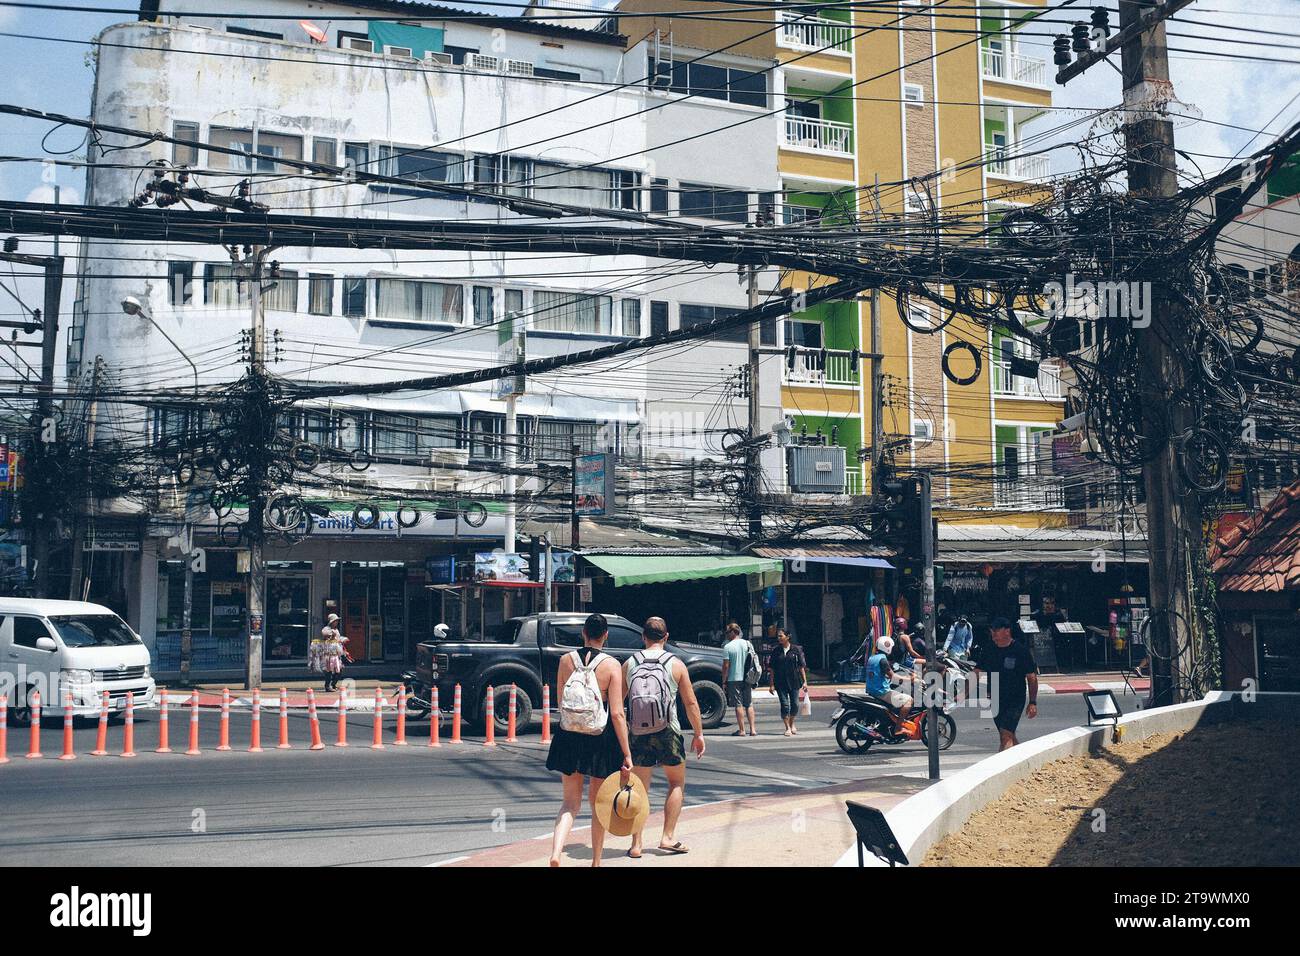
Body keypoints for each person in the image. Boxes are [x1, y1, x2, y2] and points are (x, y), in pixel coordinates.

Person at [546, 612, 634, 867]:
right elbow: (617, 713)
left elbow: (560, 700)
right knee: (598, 803)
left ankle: (556, 852)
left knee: (569, 803)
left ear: (583, 633)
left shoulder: (565, 660)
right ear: (605, 636)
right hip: (599, 738)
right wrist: (626, 753)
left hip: (568, 735)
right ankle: (596, 861)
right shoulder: (612, 665)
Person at [626, 616, 706, 858]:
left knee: (639, 788)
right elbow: (690, 702)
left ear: (643, 636)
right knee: (676, 783)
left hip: (638, 732)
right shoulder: (676, 663)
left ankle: (637, 844)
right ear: (666, 637)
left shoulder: (630, 663)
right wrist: (699, 734)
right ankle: (667, 837)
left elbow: (619, 705)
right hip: (668, 730)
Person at [975, 616, 1039, 751]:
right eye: (992, 631)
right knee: (1008, 735)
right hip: (996, 698)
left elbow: (1031, 677)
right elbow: (976, 672)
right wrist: (962, 693)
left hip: (1015, 699)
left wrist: (1033, 702)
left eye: (996, 631)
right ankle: (1024, 762)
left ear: (1007, 631)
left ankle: (1000, 768)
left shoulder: (1020, 651)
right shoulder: (988, 649)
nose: (993, 635)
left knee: (1005, 736)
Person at [767, 628, 808, 737]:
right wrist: (771, 685)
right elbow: (772, 669)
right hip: (780, 682)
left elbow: (801, 667)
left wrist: (805, 682)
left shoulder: (796, 650)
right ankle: (787, 727)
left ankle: (792, 723)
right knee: (785, 705)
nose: (779, 638)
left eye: (781, 636)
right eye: (778, 636)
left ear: (787, 637)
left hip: (794, 681)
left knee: (795, 704)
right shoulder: (776, 651)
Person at [721, 621, 757, 737]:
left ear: (733, 632)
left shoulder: (727, 647)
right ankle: (752, 729)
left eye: (728, 632)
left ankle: (742, 730)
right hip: (748, 677)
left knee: (738, 704)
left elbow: (726, 665)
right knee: (749, 704)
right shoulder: (748, 643)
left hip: (734, 678)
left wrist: (724, 680)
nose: (726, 634)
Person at [866, 635, 913, 717]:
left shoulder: (872, 658)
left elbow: (877, 673)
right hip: (881, 692)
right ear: (887, 646)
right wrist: (909, 679)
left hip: (872, 690)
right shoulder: (883, 660)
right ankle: (899, 727)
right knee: (908, 700)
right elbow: (893, 677)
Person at [317, 613, 349, 693]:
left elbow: (338, 639)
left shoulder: (336, 630)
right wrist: (332, 634)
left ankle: (333, 684)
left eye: (337, 621)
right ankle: (328, 686)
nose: (337, 622)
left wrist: (343, 639)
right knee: (329, 670)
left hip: (336, 653)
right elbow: (325, 634)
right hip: (328, 653)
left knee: (339, 670)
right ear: (331, 621)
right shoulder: (326, 629)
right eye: (335, 621)